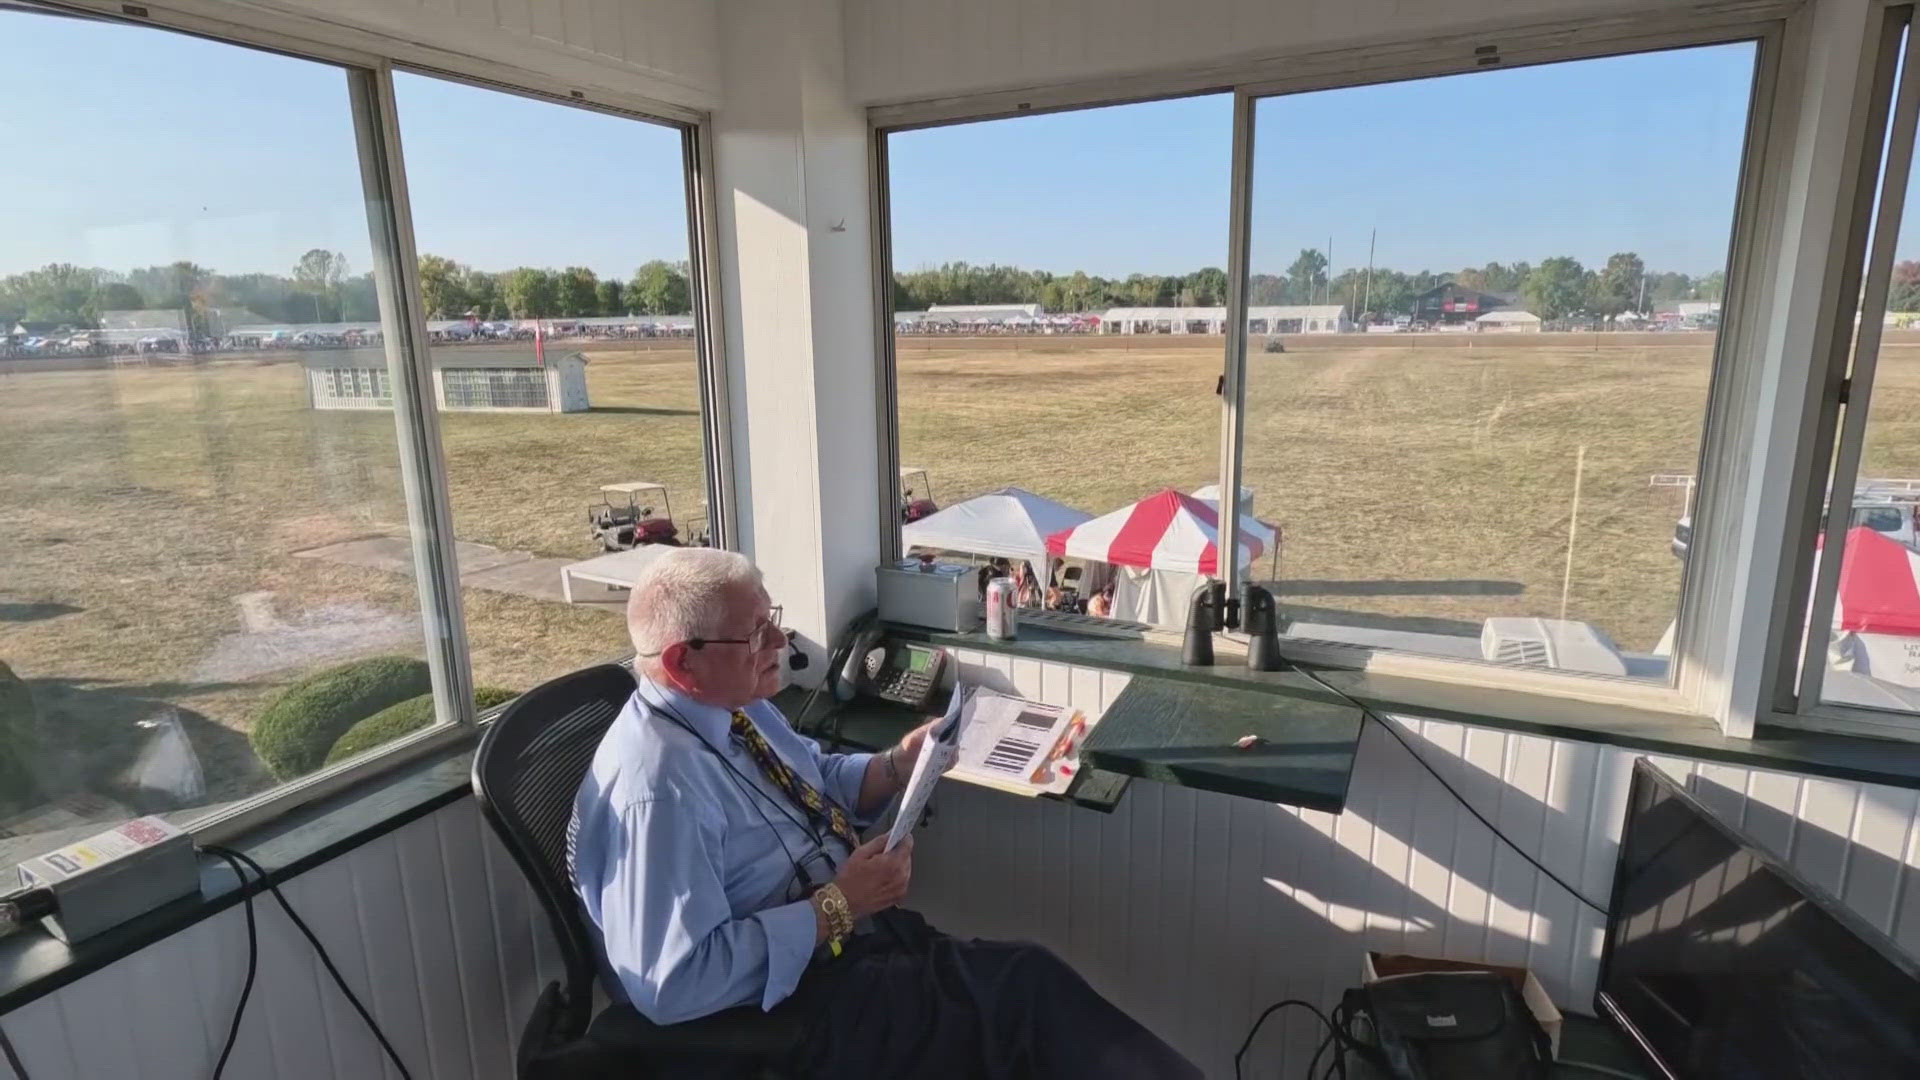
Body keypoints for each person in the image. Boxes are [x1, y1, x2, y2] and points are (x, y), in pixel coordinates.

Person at [570, 548, 1199, 1079]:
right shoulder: (657, 791)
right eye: (756, 632)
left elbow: (812, 782)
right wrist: (837, 907)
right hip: (793, 1015)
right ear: (683, 661)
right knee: (1024, 999)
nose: (779, 643)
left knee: (1023, 992)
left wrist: (896, 764)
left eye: (773, 620)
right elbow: (673, 984)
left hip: (856, 946)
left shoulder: (734, 703)